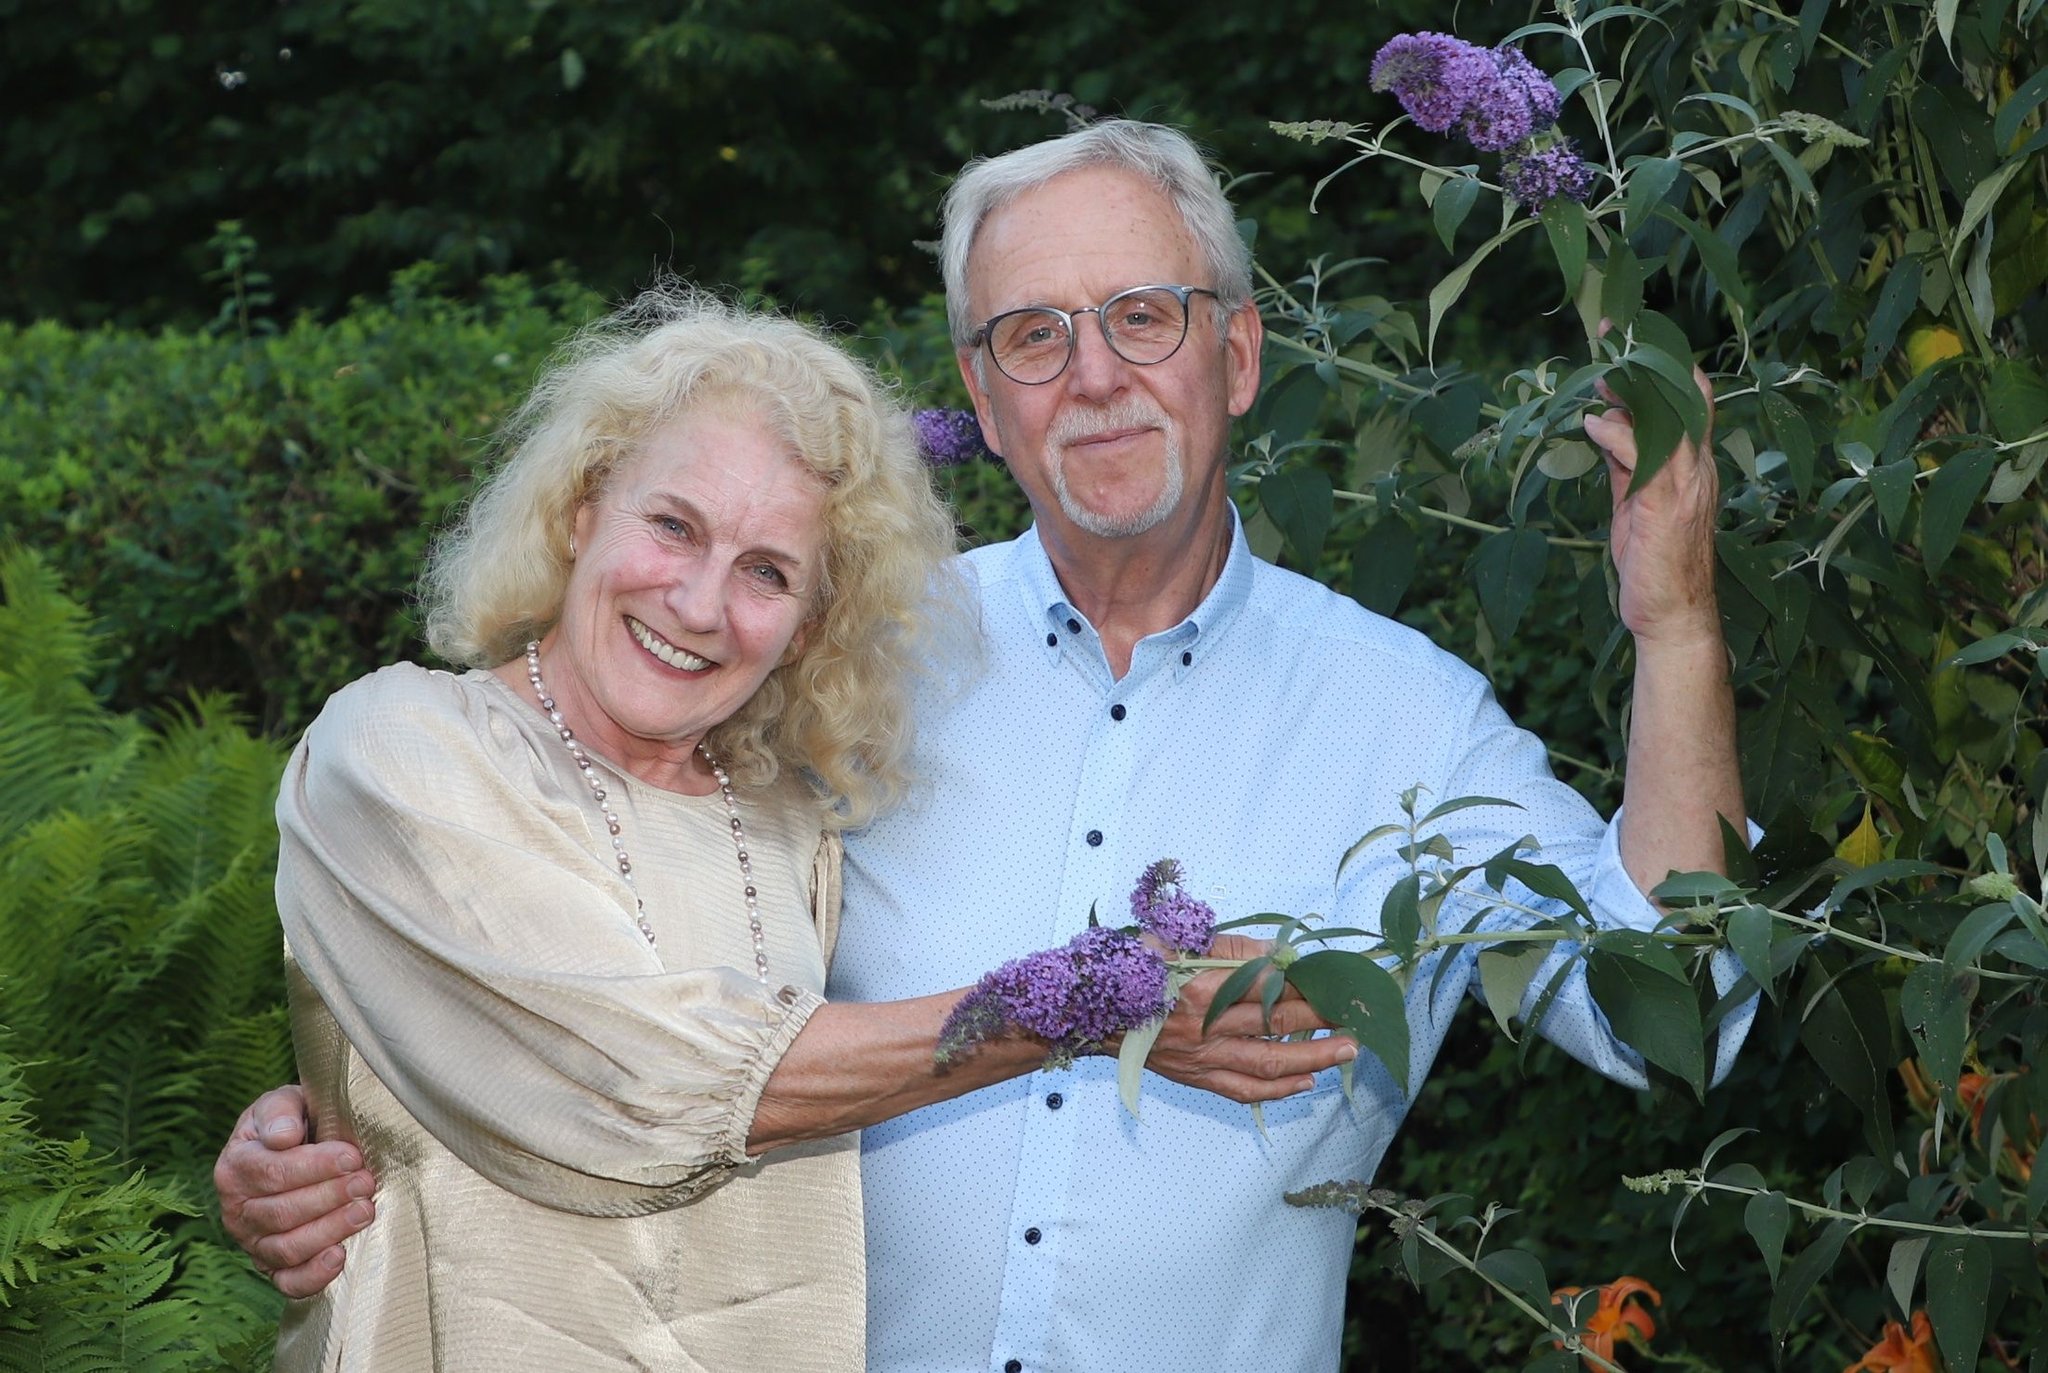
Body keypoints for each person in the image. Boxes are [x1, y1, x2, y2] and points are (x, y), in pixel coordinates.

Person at [221, 122, 1749, 1371]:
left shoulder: (1401, 715)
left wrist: (1676, 631)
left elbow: (1676, 1006)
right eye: (1033, 335)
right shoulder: (831, 666)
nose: (1093, 375)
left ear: (1238, 356)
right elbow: (592, 971)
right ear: (981, 395)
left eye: (1144, 317)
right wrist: (353, 1122)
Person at [258, 284, 1353, 1372]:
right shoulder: (397, 749)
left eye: (767, 573)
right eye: (671, 525)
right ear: (582, 506)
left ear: (807, 626)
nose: (696, 604)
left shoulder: (789, 824)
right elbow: (634, 1085)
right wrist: (1080, 997)